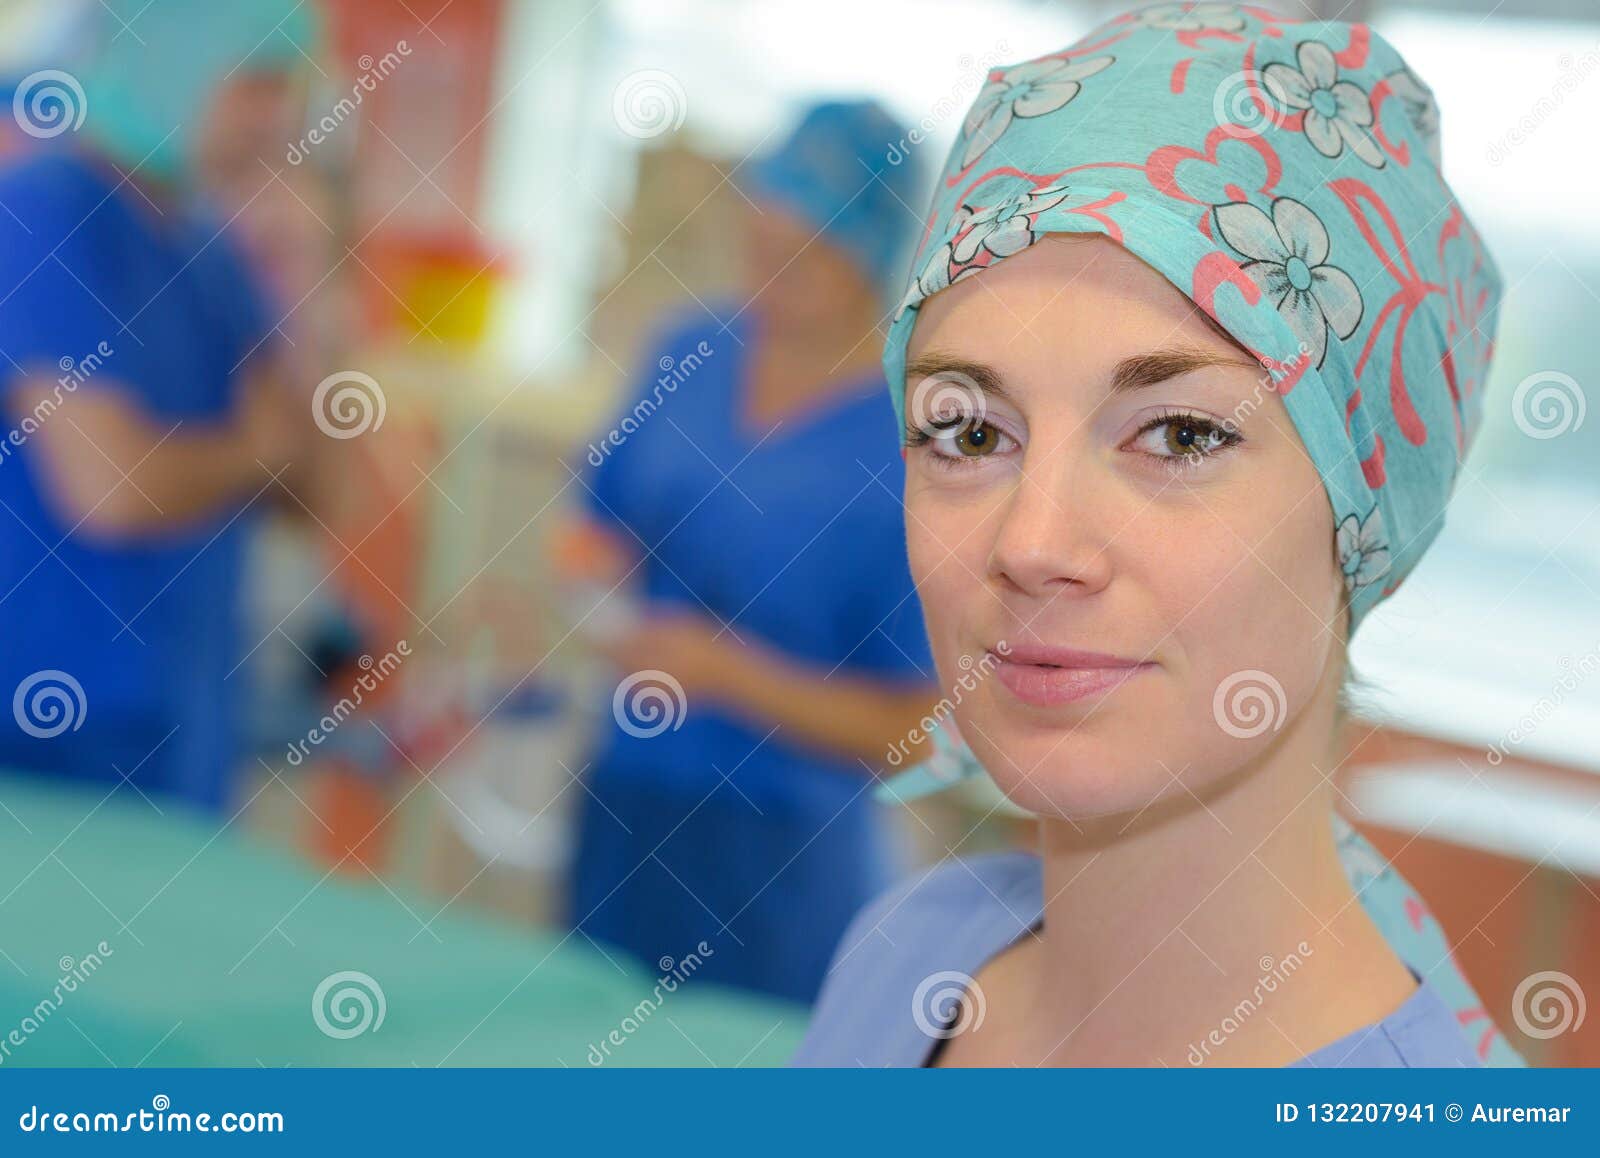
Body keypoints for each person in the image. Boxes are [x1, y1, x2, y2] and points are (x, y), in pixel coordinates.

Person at [794, 5, 1514, 1066]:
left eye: (1179, 434)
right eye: (971, 430)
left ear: (1363, 511)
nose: (1030, 542)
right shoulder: (904, 959)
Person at [564, 101, 940, 1004]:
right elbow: (596, 525)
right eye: (761, 241)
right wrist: (582, 600)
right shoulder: (688, 353)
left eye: (807, 254)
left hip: (781, 853)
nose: (772, 274)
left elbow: (923, 732)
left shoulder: (917, 440)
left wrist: (730, 675)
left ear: (872, 262)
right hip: (625, 799)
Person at [0, 0, 323, 811]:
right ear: (166, 56)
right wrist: (252, 455)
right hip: (51, 738)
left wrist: (316, 284)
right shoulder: (41, 214)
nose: (276, 120)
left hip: (186, 731)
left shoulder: (213, 251)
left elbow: (320, 492)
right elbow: (109, 491)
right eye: (255, 83)